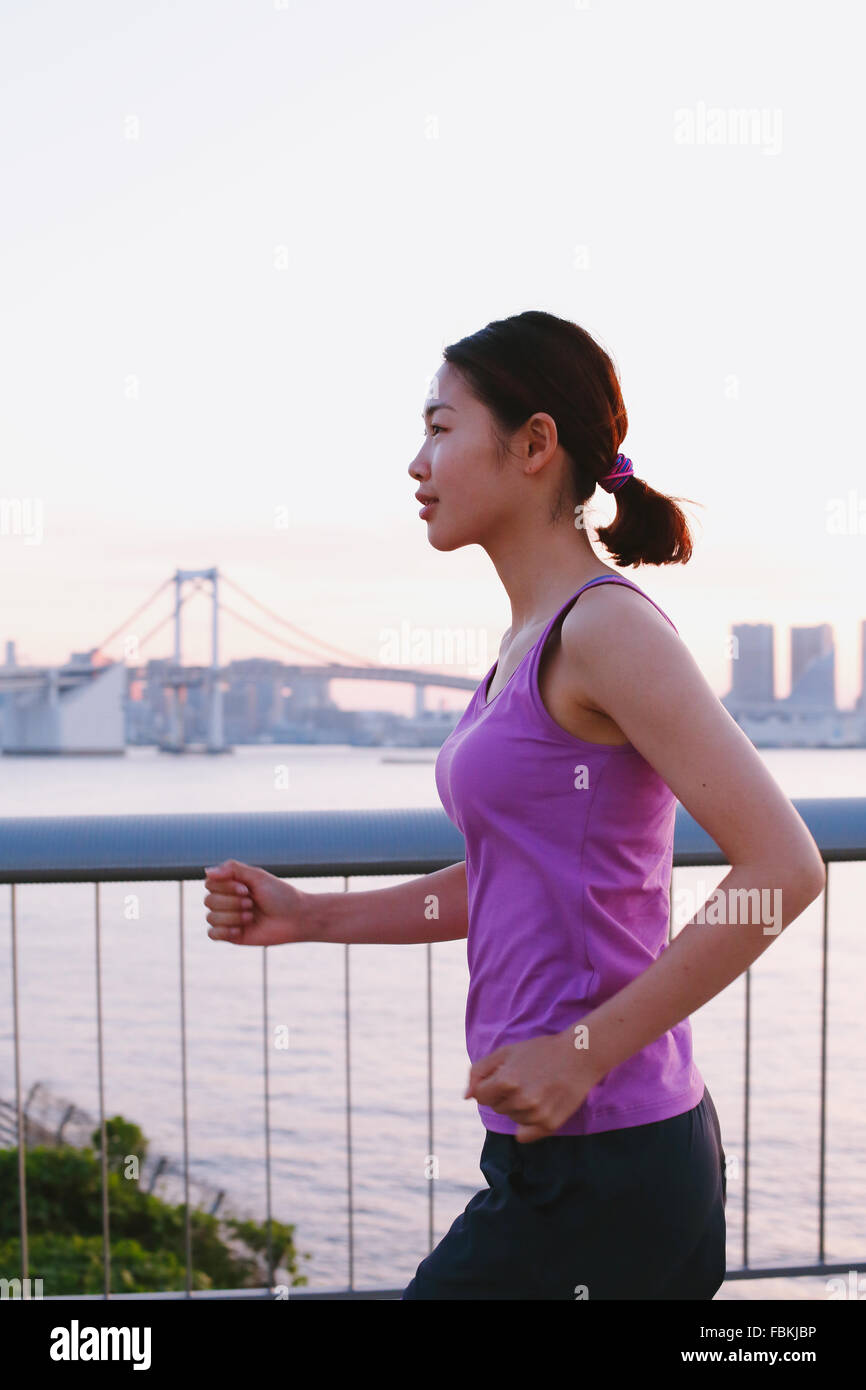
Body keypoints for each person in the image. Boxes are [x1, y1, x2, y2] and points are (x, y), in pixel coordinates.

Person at [202, 309, 826, 1300]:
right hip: (573, 1154)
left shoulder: (606, 629)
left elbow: (783, 870)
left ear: (534, 444)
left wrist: (582, 1052)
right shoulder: (523, 645)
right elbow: (511, 875)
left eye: (441, 427)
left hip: (608, 1162)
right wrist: (312, 916)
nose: (416, 461)